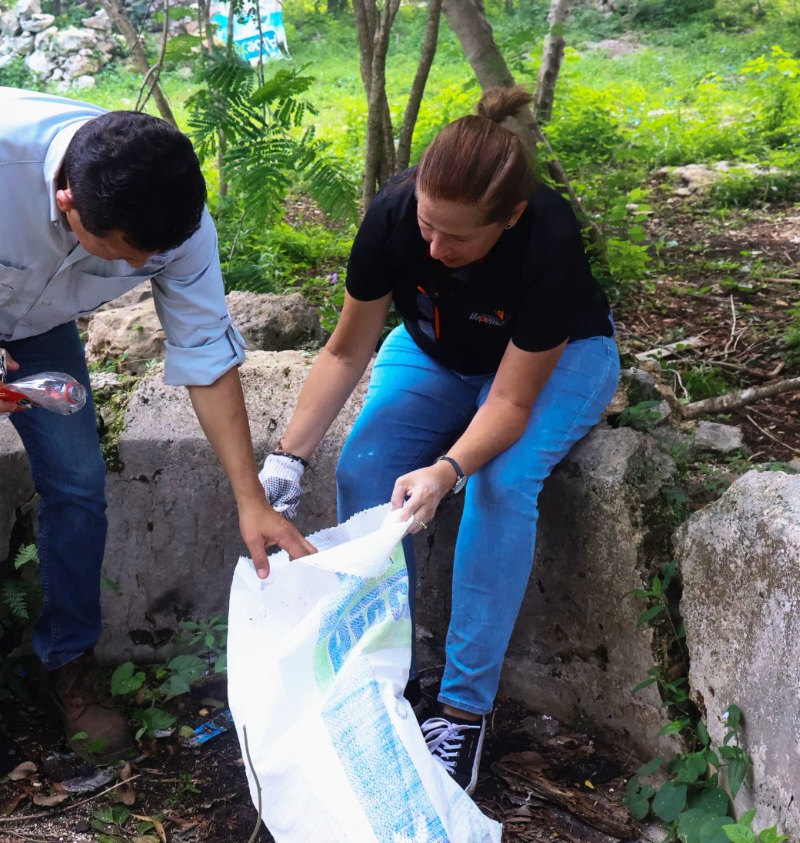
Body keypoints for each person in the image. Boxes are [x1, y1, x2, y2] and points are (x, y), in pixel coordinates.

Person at [0, 86, 313, 813]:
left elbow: (206, 354)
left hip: (32, 324)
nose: (147, 264)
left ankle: (67, 661)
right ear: (67, 203)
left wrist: (250, 500)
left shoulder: (169, 220)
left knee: (79, 481)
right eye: (126, 257)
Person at [255, 86, 620, 795]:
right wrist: (286, 459)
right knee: (365, 468)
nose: (433, 247)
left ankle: (462, 710)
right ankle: (389, 675)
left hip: (558, 357)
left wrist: (447, 469)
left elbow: (512, 399)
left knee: (500, 481)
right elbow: (343, 351)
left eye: (455, 236)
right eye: (427, 224)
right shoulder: (395, 214)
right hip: (434, 351)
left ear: (509, 217)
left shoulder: (547, 235)